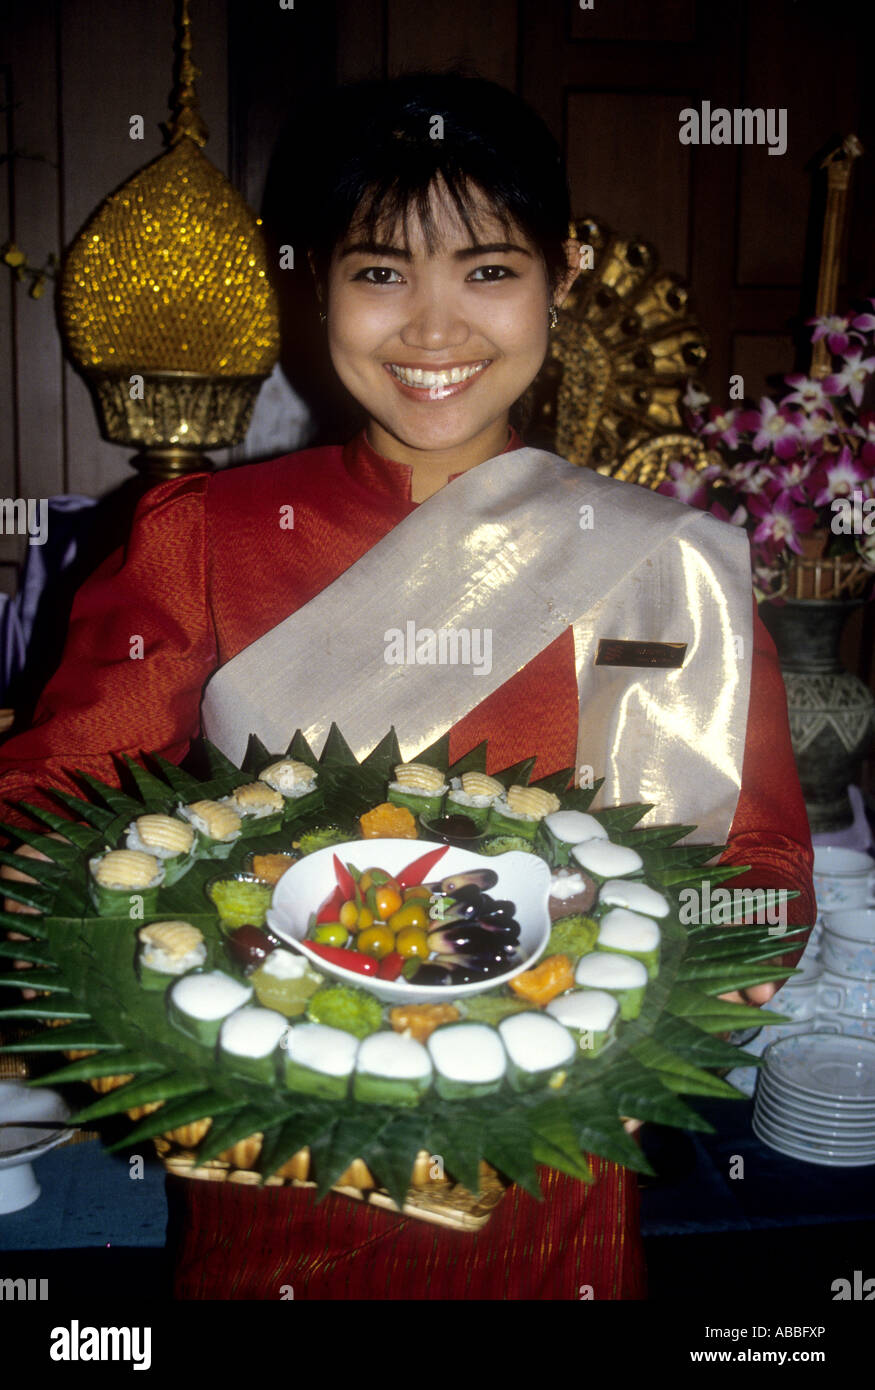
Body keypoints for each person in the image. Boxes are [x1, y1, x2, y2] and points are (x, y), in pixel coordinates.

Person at [0, 72, 814, 1299]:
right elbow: (47, 815)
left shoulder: (663, 562)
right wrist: (151, 1015)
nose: (433, 331)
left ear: (564, 272)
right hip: (270, 1145)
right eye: (379, 273)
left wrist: (710, 967)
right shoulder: (204, 535)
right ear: (312, 281)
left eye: (487, 270)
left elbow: (759, 866)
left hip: (551, 1173)